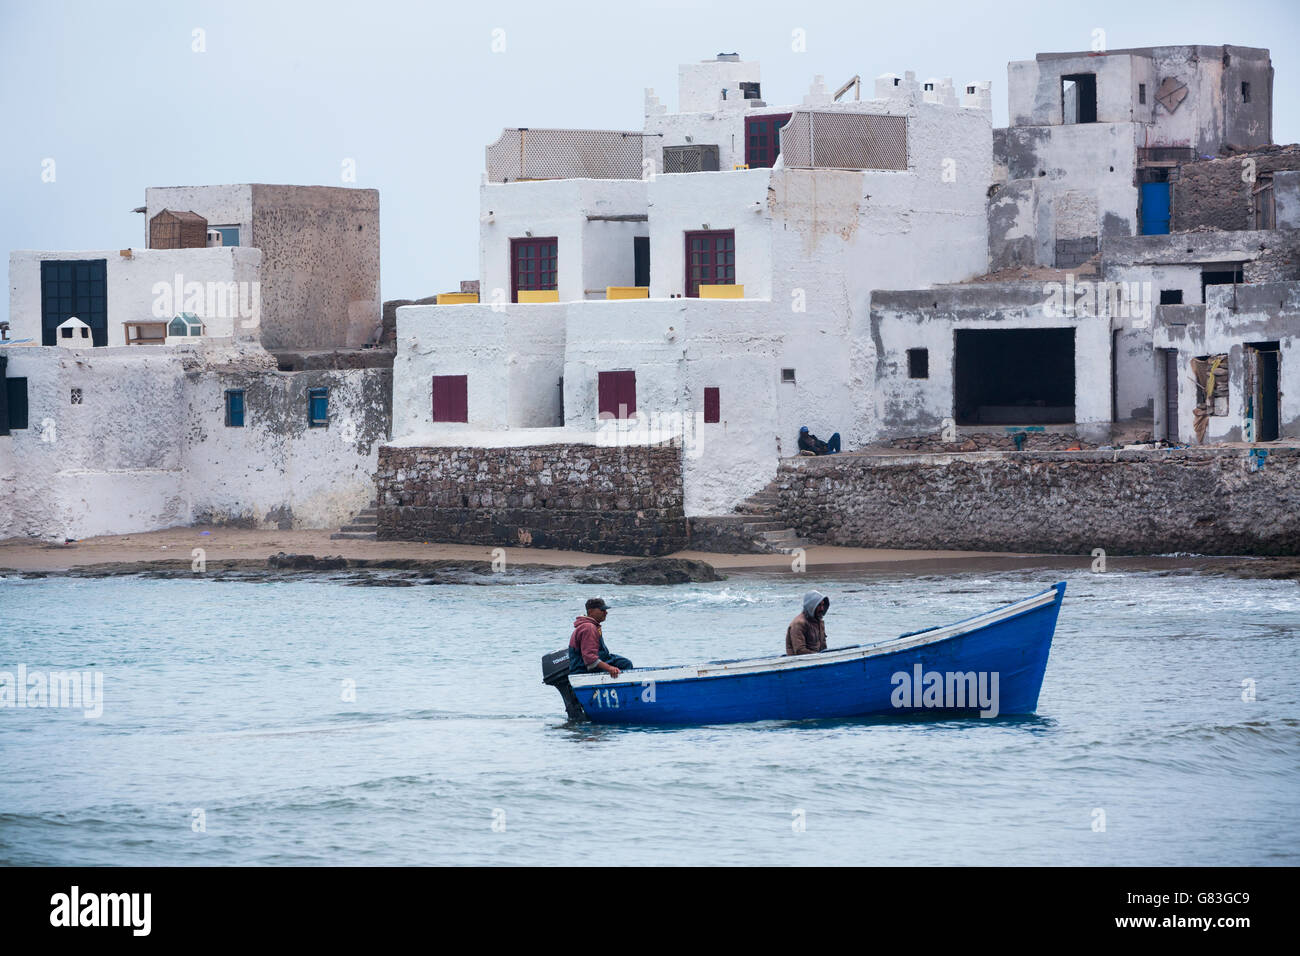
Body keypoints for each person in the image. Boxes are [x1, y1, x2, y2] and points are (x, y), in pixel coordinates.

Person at [569, 597, 633, 677]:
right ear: (590, 611)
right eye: (602, 610)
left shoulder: (591, 626)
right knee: (625, 665)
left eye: (606, 610)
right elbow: (590, 658)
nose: (606, 612)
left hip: (596, 663)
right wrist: (610, 668)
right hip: (584, 669)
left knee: (623, 662)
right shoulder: (589, 627)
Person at [786, 590, 830, 656]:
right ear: (811, 606)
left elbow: (823, 647)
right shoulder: (798, 624)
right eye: (819, 605)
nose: (822, 608)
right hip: (800, 662)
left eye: (823, 605)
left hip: (819, 659)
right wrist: (818, 656)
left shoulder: (820, 622)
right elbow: (799, 650)